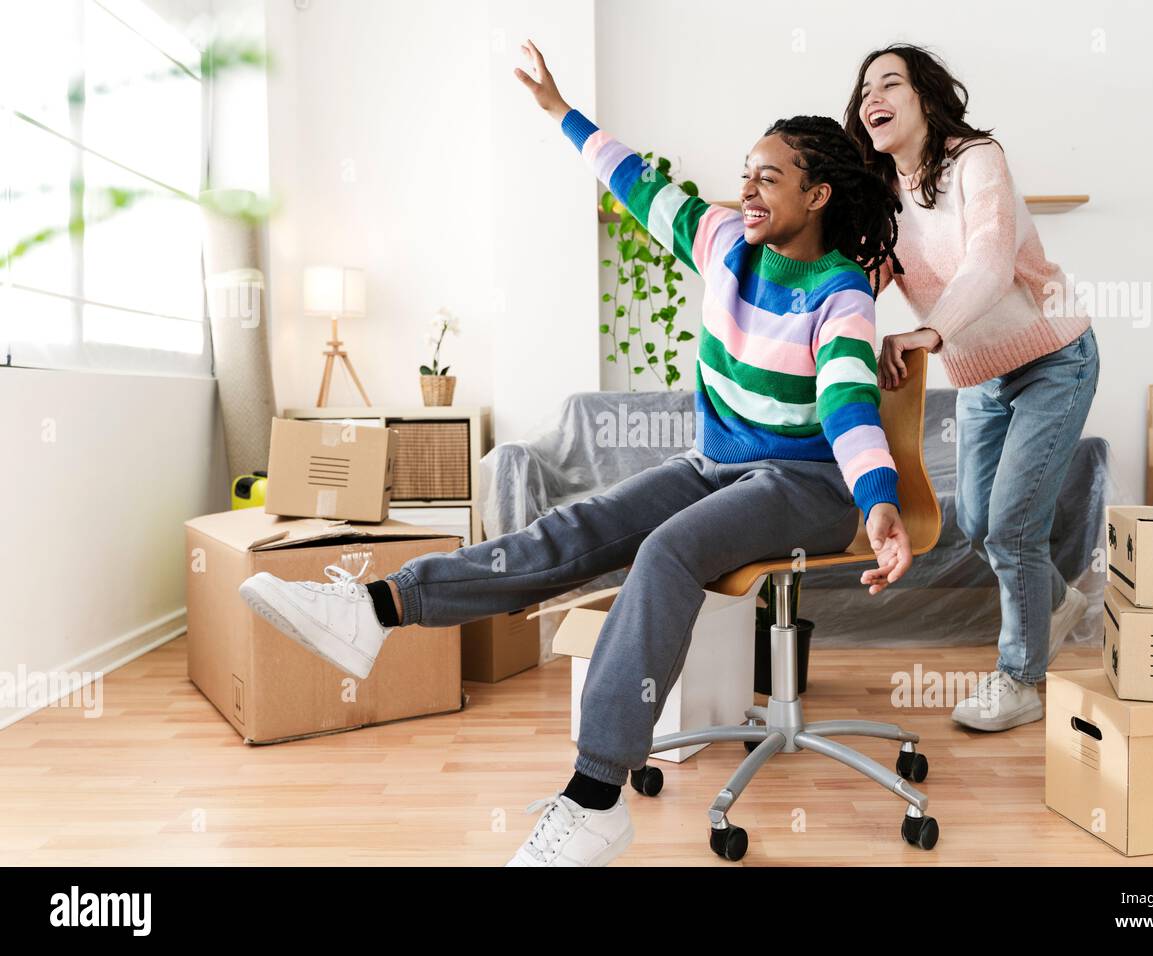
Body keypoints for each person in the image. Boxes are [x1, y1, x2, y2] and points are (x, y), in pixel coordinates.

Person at [239, 38, 913, 867]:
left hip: (808, 484)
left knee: (666, 553)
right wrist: (560, 110)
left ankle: (595, 799)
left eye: (767, 177)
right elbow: (636, 182)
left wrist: (880, 499)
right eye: (745, 171)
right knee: (578, 527)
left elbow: (847, 401)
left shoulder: (840, 291)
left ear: (816, 194)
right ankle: (375, 611)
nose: (745, 189)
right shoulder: (722, 243)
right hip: (716, 465)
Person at [843, 44, 1099, 732]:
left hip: (1054, 358)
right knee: (979, 522)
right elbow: (860, 284)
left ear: (924, 98)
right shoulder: (881, 198)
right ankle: (1057, 602)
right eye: (865, 88)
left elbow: (988, 262)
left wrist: (928, 335)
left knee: (1013, 523)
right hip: (982, 376)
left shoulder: (976, 160)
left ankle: (1020, 679)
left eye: (889, 82)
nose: (873, 96)